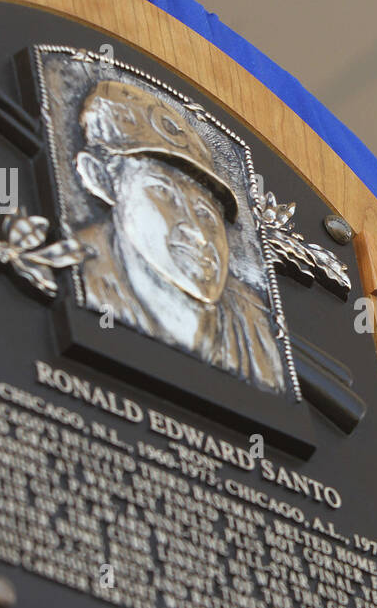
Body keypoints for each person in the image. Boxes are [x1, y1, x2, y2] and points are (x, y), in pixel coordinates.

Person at [71, 79, 287, 395]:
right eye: (163, 192)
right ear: (102, 179)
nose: (199, 234)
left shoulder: (255, 328)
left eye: (205, 211)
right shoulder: (73, 271)